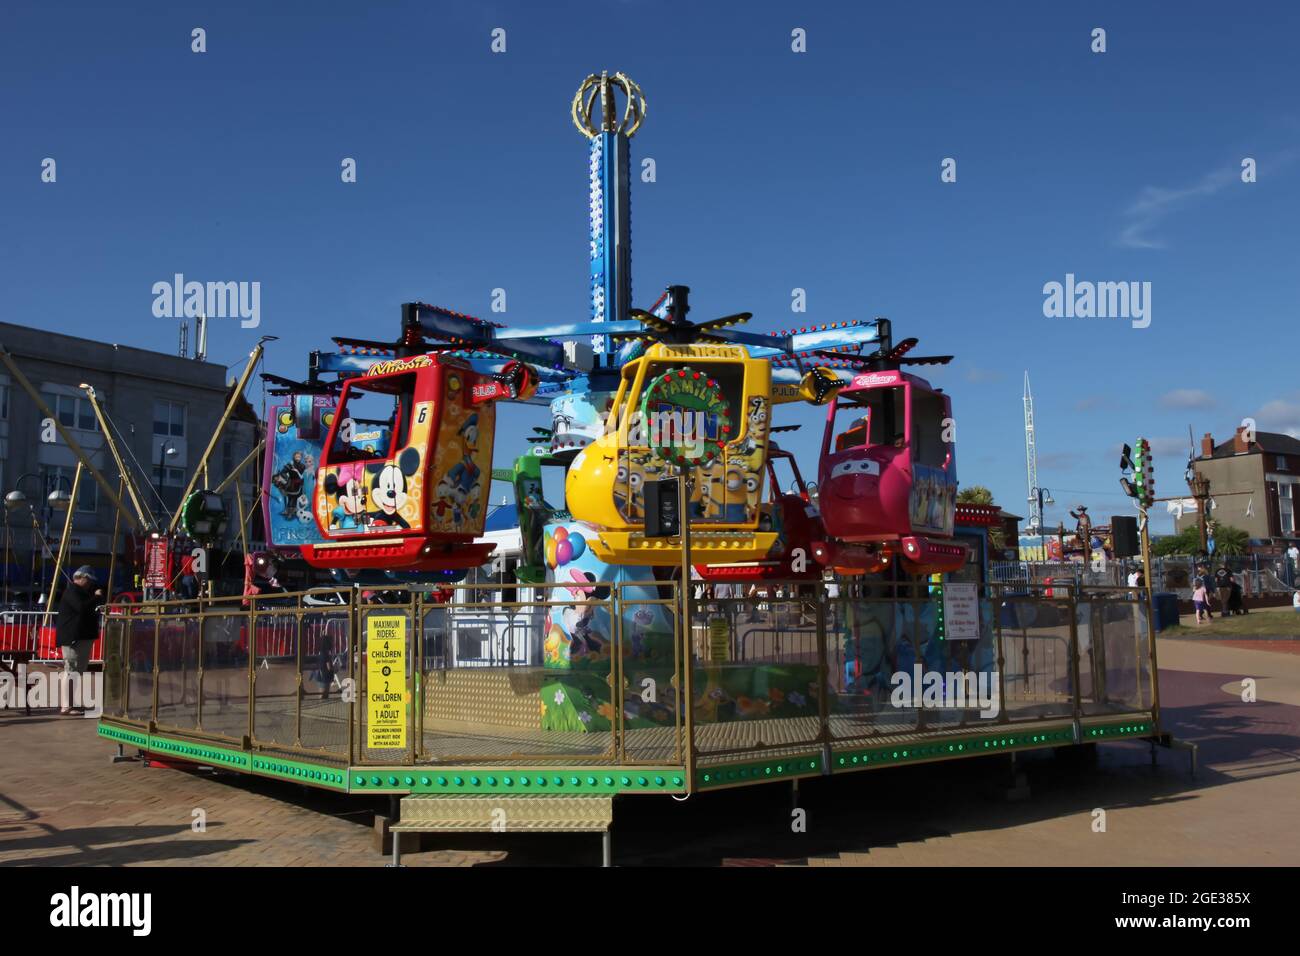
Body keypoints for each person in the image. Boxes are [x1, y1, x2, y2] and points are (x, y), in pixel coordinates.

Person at [55, 566, 105, 715]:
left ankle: (70, 703)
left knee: (76, 671)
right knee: (71, 670)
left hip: (81, 636)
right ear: (82, 578)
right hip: (74, 638)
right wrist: (96, 597)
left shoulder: (81, 592)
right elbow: (81, 608)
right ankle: (66, 705)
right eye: (89, 580)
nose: (90, 584)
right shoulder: (72, 591)